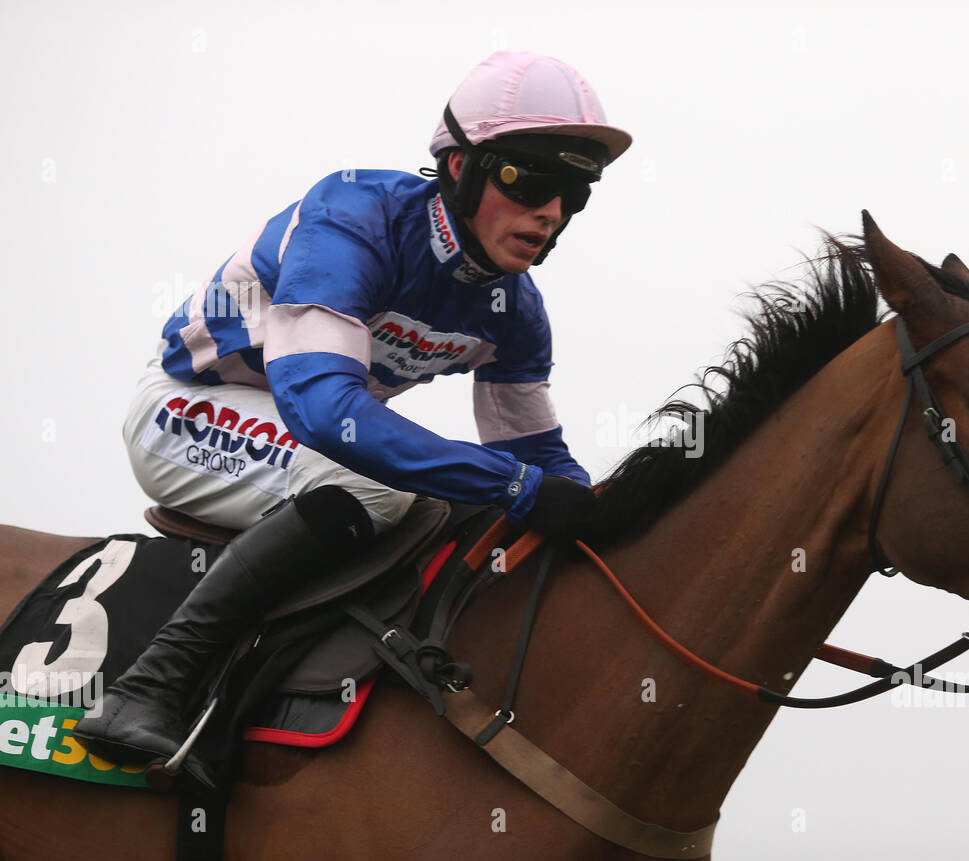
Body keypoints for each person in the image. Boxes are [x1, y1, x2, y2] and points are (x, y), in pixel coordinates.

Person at [73, 51, 631, 788]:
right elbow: (328, 414)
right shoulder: (352, 215)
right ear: (461, 167)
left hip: (307, 443)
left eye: (574, 194)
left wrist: (613, 521)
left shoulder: (516, 312)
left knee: (459, 508)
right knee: (389, 493)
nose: (551, 212)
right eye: (528, 179)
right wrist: (519, 487)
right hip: (185, 411)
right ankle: (149, 687)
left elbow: (541, 462)